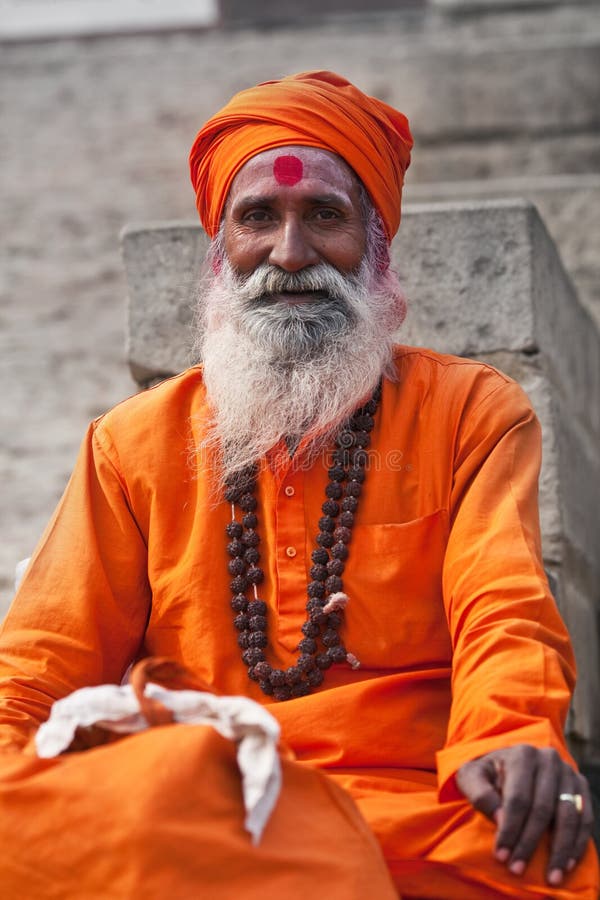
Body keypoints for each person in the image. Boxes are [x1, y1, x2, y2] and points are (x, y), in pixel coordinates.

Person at [0, 70, 597, 899]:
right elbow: (38, 664)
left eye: (324, 215)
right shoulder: (130, 445)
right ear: (220, 252)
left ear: (375, 248)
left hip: (409, 805)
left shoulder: (470, 414)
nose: (289, 254)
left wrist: (514, 731)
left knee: (536, 857)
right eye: (258, 218)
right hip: (198, 797)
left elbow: (506, 611)